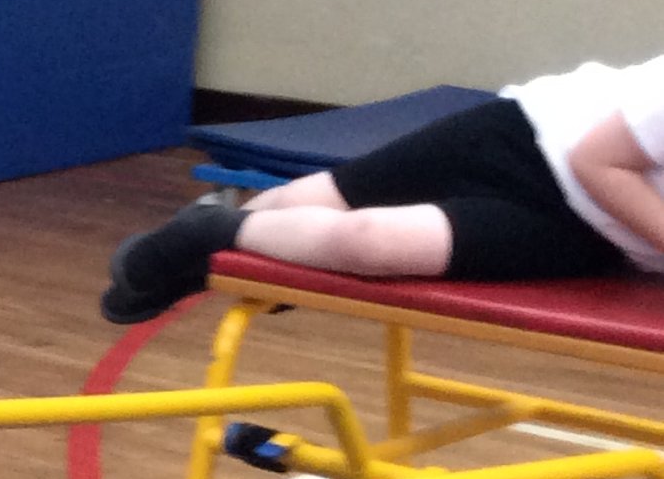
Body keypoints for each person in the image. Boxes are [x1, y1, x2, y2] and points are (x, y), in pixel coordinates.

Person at [101, 60, 664, 324]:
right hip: (531, 136)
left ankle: (214, 233)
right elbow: (600, 163)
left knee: (368, 242)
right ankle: (203, 236)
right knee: (297, 205)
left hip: (587, 232)